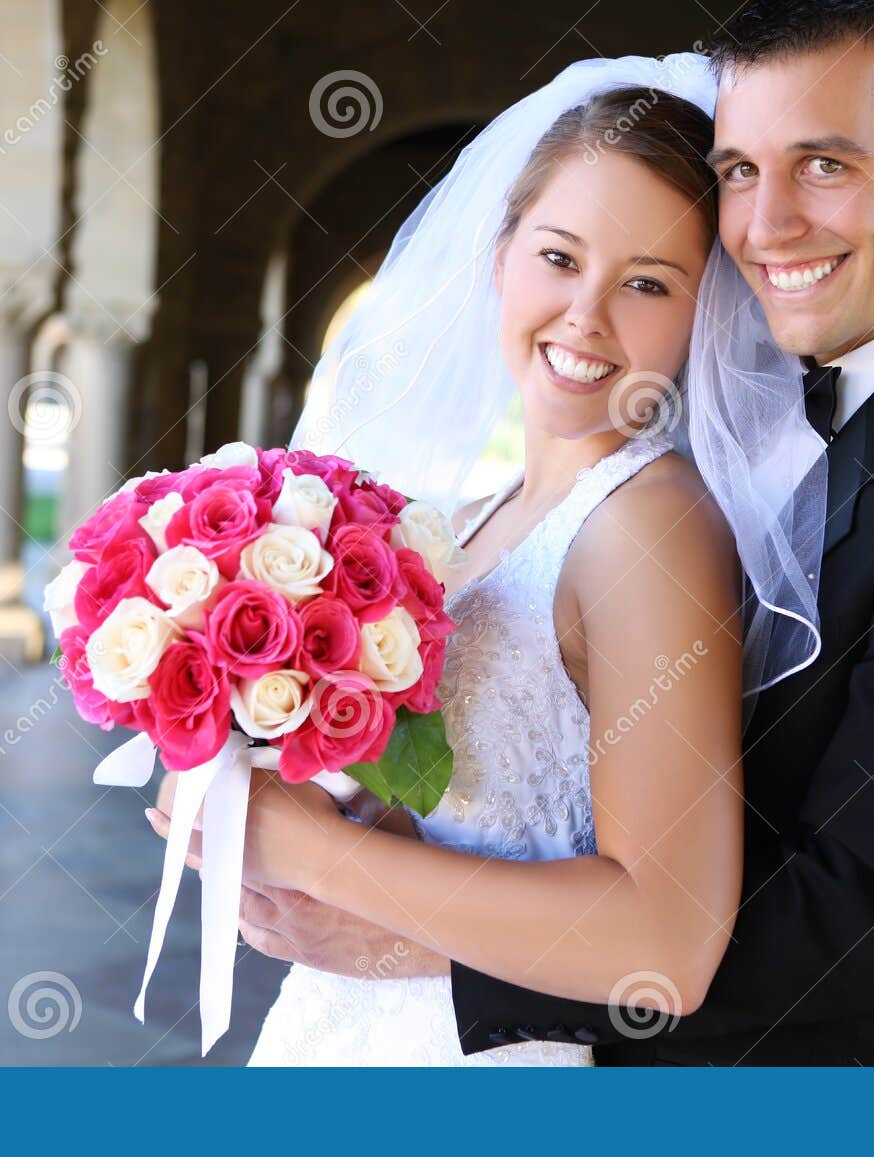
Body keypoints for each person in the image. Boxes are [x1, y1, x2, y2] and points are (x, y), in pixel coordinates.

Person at [151, 56, 827, 1065]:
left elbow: (668, 940)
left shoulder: (649, 526)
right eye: (559, 257)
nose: (586, 316)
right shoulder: (471, 518)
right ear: (499, 249)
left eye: (647, 282)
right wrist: (271, 774)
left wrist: (317, 852)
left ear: (705, 313)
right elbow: (468, 811)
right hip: (356, 1028)